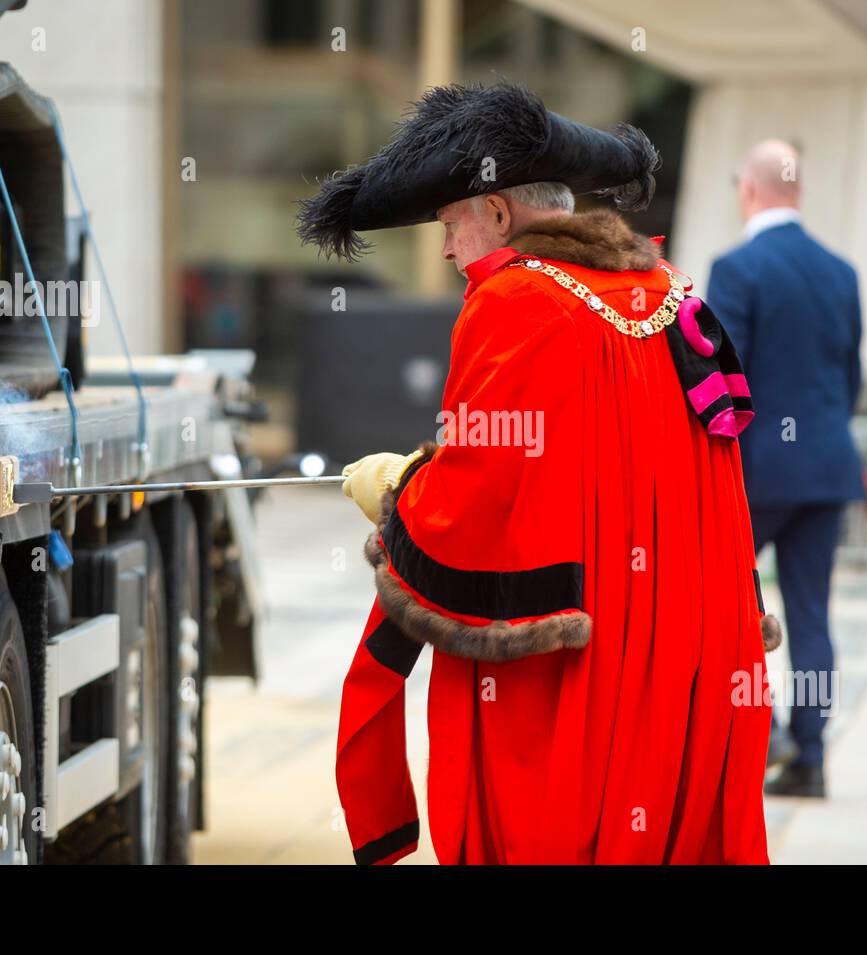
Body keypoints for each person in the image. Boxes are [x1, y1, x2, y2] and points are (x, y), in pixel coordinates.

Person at [296, 82, 780, 864]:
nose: (449, 249)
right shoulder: (666, 289)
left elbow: (472, 500)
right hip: (684, 659)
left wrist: (395, 489)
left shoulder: (515, 300)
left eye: (450, 224)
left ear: (495, 211)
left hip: (572, 676)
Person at [707, 139, 866, 797]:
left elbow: (720, 379)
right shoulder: (841, 270)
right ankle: (811, 756)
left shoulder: (735, 267)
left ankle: (761, 732)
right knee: (810, 614)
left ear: (748, 190)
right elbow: (850, 376)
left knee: (728, 603)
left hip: (755, 472)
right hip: (826, 466)